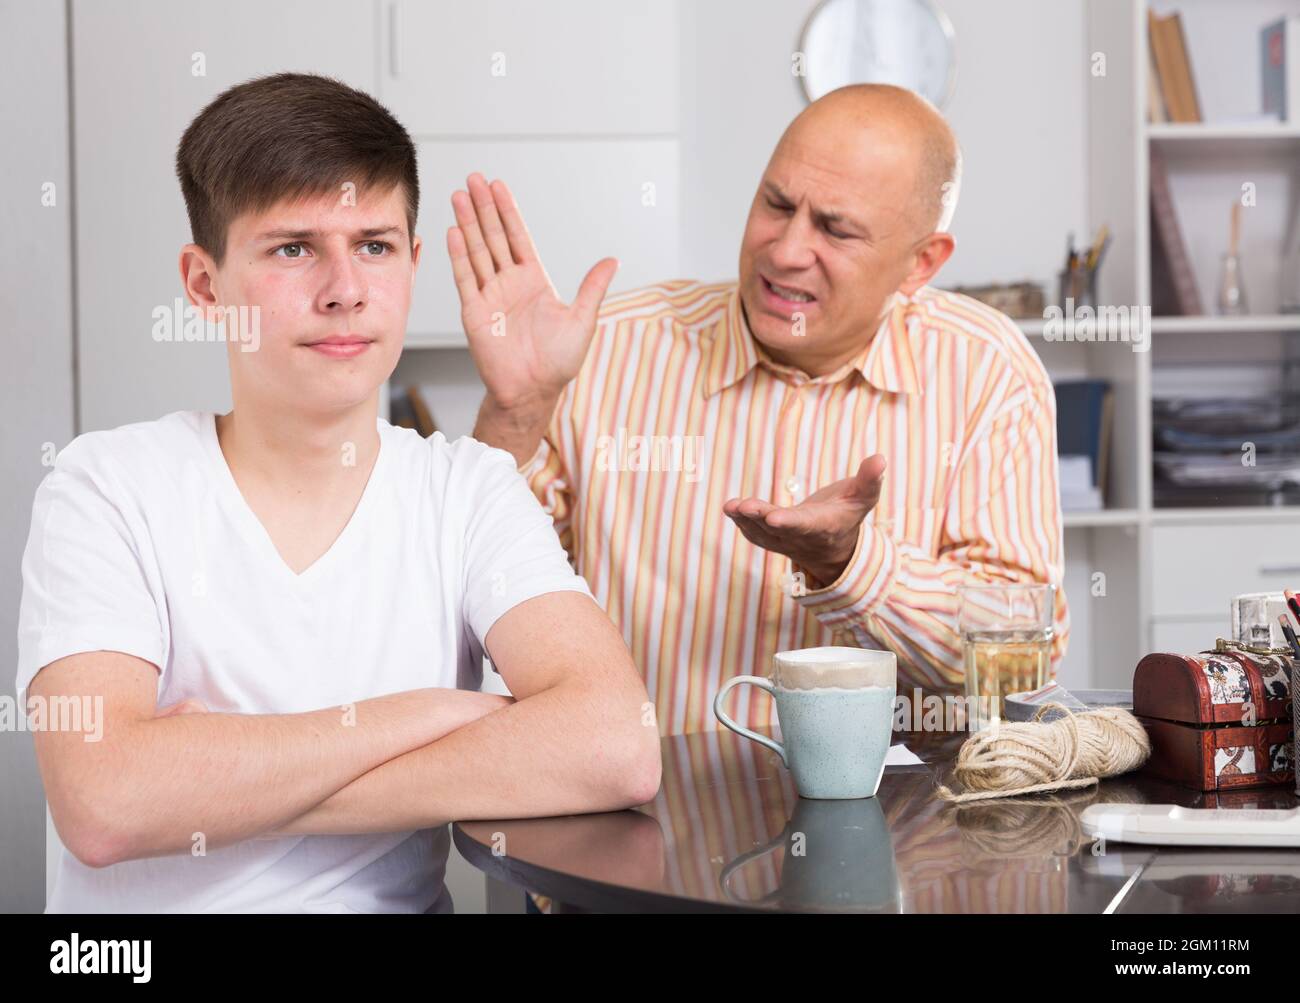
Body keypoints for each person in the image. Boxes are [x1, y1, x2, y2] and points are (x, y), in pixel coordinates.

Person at [16, 72, 660, 914]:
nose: (345, 289)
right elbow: (105, 803)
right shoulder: (105, 486)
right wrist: (443, 711)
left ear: (412, 264)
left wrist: (216, 779)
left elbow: (617, 743)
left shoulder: (469, 490)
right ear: (205, 286)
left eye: (375, 245)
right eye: (293, 248)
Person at [449, 83, 1070, 738]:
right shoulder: (604, 347)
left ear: (921, 263)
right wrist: (518, 408)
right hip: (658, 816)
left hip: (909, 828)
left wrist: (853, 566)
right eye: (777, 204)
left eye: (835, 227)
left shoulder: (989, 373)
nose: (786, 250)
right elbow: (480, 586)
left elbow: (1024, 653)